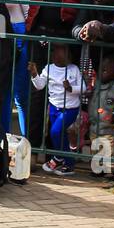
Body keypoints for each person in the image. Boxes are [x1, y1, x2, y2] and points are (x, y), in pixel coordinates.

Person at [16, 0, 104, 150]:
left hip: (68, 35)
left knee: (66, 96)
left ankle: (60, 152)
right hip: (39, 32)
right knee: (36, 94)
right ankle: (33, 149)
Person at [30, 44, 84, 175]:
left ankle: (62, 158)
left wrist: (71, 88)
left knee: (55, 132)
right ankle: (64, 161)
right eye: (54, 52)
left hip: (70, 108)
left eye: (61, 52)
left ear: (68, 55)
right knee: (58, 134)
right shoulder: (48, 68)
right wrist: (35, 74)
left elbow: (83, 88)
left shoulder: (74, 69)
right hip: (54, 107)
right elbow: (40, 86)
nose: (56, 55)